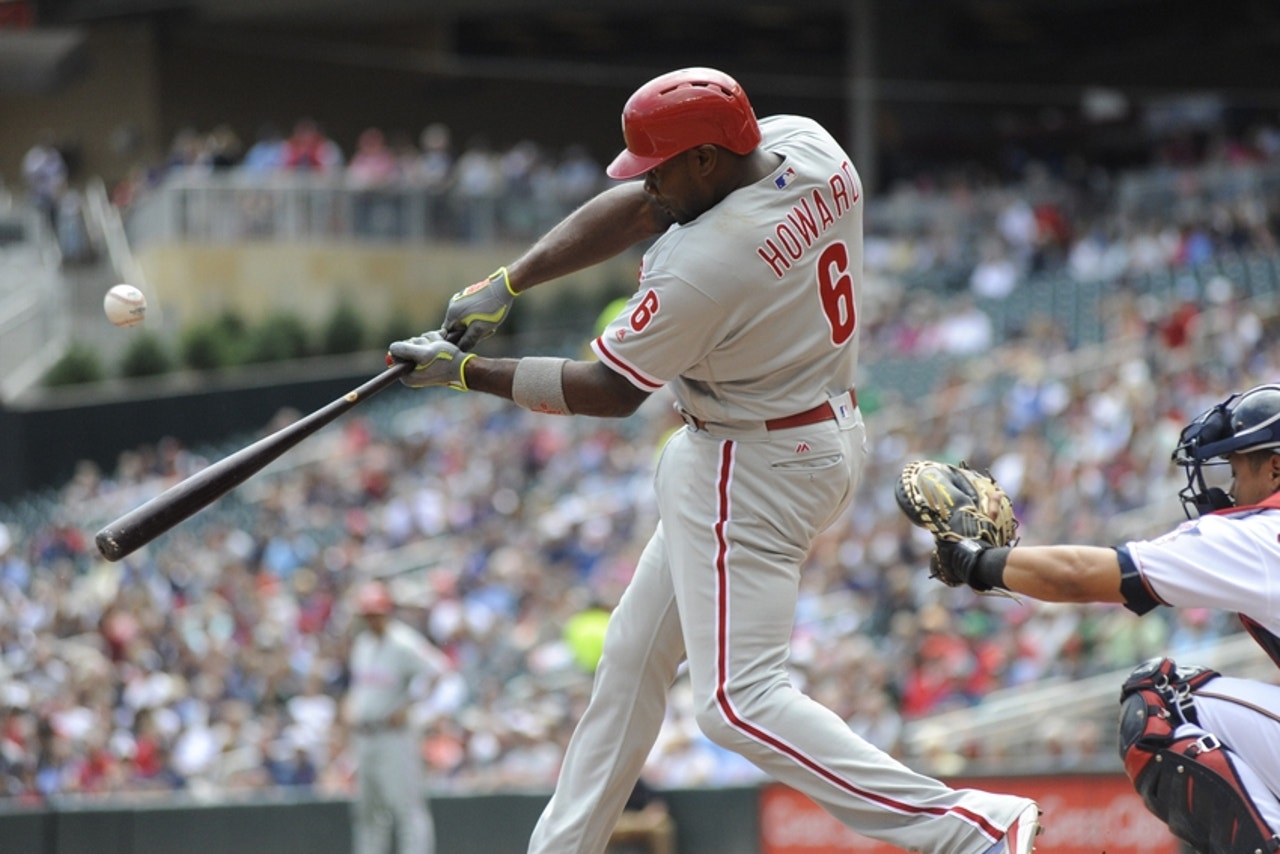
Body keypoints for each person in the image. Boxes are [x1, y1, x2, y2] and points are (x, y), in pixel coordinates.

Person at [387, 66, 1041, 854]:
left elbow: (608, 390)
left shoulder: (706, 260)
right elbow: (645, 203)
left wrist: (465, 374)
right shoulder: (810, 144)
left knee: (736, 701)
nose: (647, 183)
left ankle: (968, 829)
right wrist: (509, 281)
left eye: (660, 165)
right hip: (811, 430)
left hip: (752, 461)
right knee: (631, 664)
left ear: (705, 161)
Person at [926, 383, 1280, 854]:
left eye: (1235, 469)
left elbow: (1085, 576)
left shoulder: (1260, 534)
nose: (1230, 488)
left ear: (1275, 465)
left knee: (1163, 699)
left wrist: (978, 562)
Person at [344, 580, 451, 854]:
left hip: (394, 736)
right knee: (368, 813)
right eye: (367, 614)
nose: (371, 620)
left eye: (376, 614)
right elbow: (362, 688)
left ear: (387, 612)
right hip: (365, 735)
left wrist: (411, 706)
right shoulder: (363, 644)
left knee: (407, 809)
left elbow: (438, 669)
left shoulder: (403, 642)